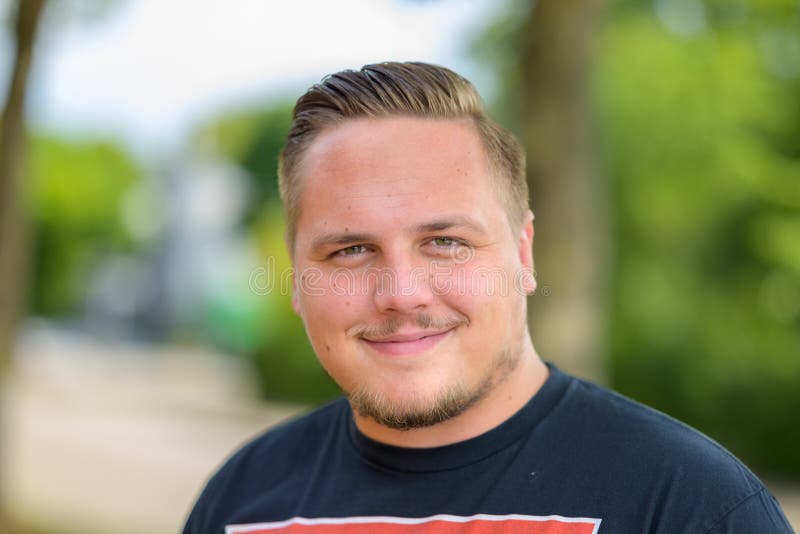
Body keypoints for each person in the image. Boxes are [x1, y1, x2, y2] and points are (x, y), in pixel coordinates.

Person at [183, 62, 793, 534]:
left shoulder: (690, 507)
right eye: (350, 251)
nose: (401, 293)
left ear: (523, 253)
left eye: (445, 241)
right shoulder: (241, 503)